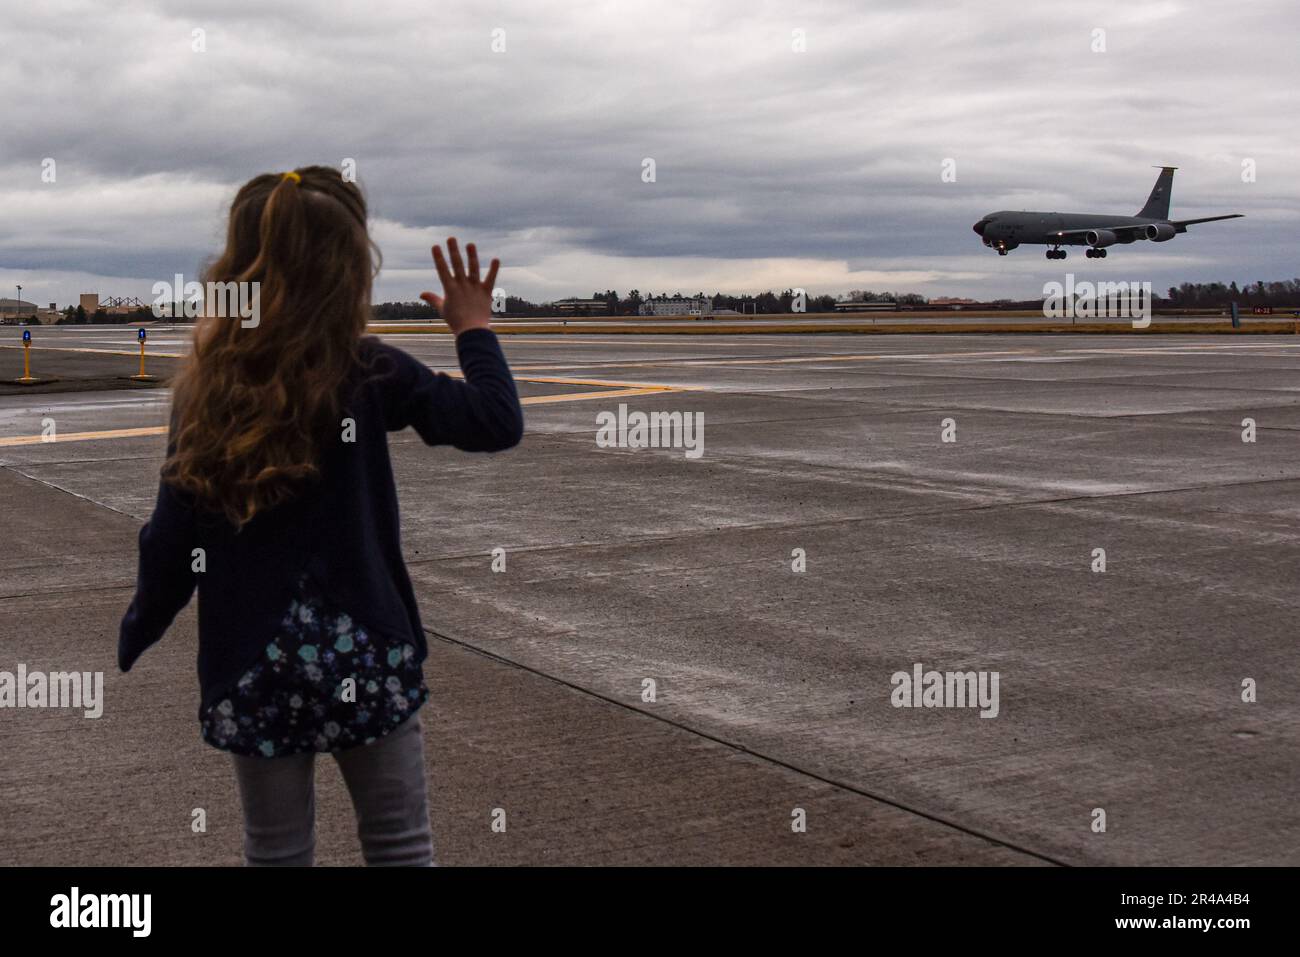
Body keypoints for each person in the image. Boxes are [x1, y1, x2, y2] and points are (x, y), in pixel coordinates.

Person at [118, 165, 523, 866]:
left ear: (235, 270)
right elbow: (493, 420)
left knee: (276, 851)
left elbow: (172, 541)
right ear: (347, 273)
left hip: (252, 664)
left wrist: (141, 624)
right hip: (367, 651)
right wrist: (474, 330)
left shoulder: (209, 390)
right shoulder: (367, 369)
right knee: (400, 845)